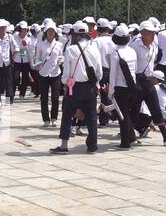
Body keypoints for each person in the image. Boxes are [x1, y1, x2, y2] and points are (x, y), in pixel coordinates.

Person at [51, 22, 102, 154]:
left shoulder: (70, 50)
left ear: (76, 35)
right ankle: (92, 145)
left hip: (75, 87)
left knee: (67, 115)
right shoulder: (94, 49)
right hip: (90, 87)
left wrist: (65, 85)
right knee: (91, 117)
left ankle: (64, 145)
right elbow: (99, 73)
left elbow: (66, 73)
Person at [107, 25, 139, 149]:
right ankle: (131, 137)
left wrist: (110, 91)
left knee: (122, 116)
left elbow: (113, 74)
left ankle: (125, 142)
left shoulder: (115, 53)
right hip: (132, 86)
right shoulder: (132, 51)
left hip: (120, 87)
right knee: (127, 114)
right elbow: (135, 70)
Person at [34, 19, 64, 127]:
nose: (50, 33)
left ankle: (54, 118)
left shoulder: (59, 44)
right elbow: (37, 58)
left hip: (56, 73)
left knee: (55, 97)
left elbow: (62, 56)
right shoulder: (41, 44)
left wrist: (61, 60)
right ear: (46, 32)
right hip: (44, 73)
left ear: (55, 33)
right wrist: (38, 66)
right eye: (48, 31)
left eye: (52, 31)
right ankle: (46, 119)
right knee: (44, 97)